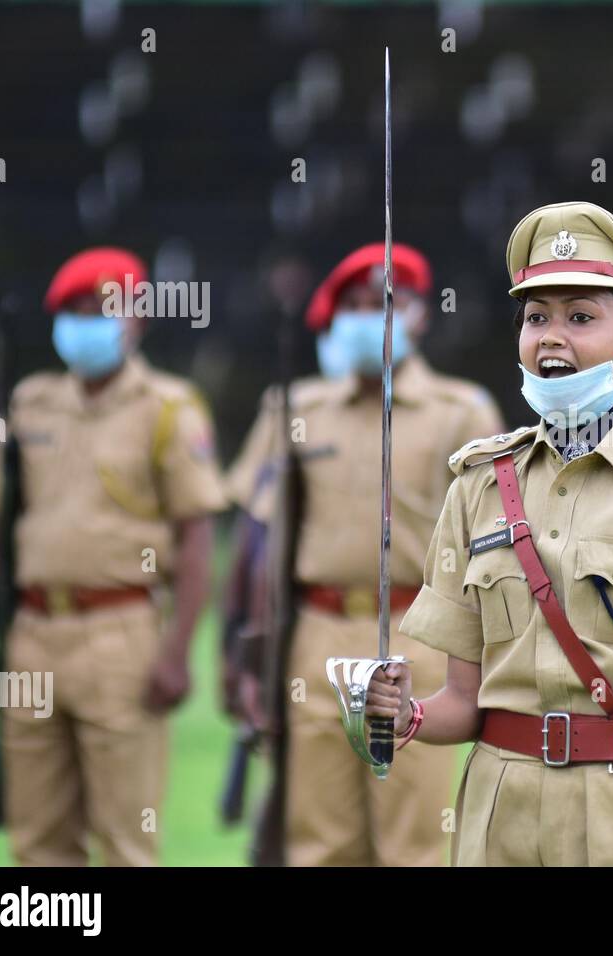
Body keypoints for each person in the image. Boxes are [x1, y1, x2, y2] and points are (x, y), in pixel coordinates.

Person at [364, 201, 613, 866]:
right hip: (499, 816)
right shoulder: (478, 484)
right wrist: (406, 715)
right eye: (536, 318)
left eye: (581, 317)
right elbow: (464, 702)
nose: (552, 337)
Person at [226, 242, 503, 866]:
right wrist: (246, 653)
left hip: (419, 636)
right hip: (316, 635)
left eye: (383, 303)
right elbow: (259, 539)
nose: (365, 318)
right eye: (351, 306)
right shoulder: (296, 409)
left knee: (410, 846)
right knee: (318, 843)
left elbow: (491, 545)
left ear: (419, 313)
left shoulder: (461, 412)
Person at [0, 247, 227, 865]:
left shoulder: (168, 407)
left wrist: (176, 651)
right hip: (30, 631)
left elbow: (195, 539)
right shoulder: (30, 403)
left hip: (121, 635)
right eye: (76, 310)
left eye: (103, 309)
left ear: (138, 317)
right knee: (36, 842)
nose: (88, 323)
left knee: (125, 839)